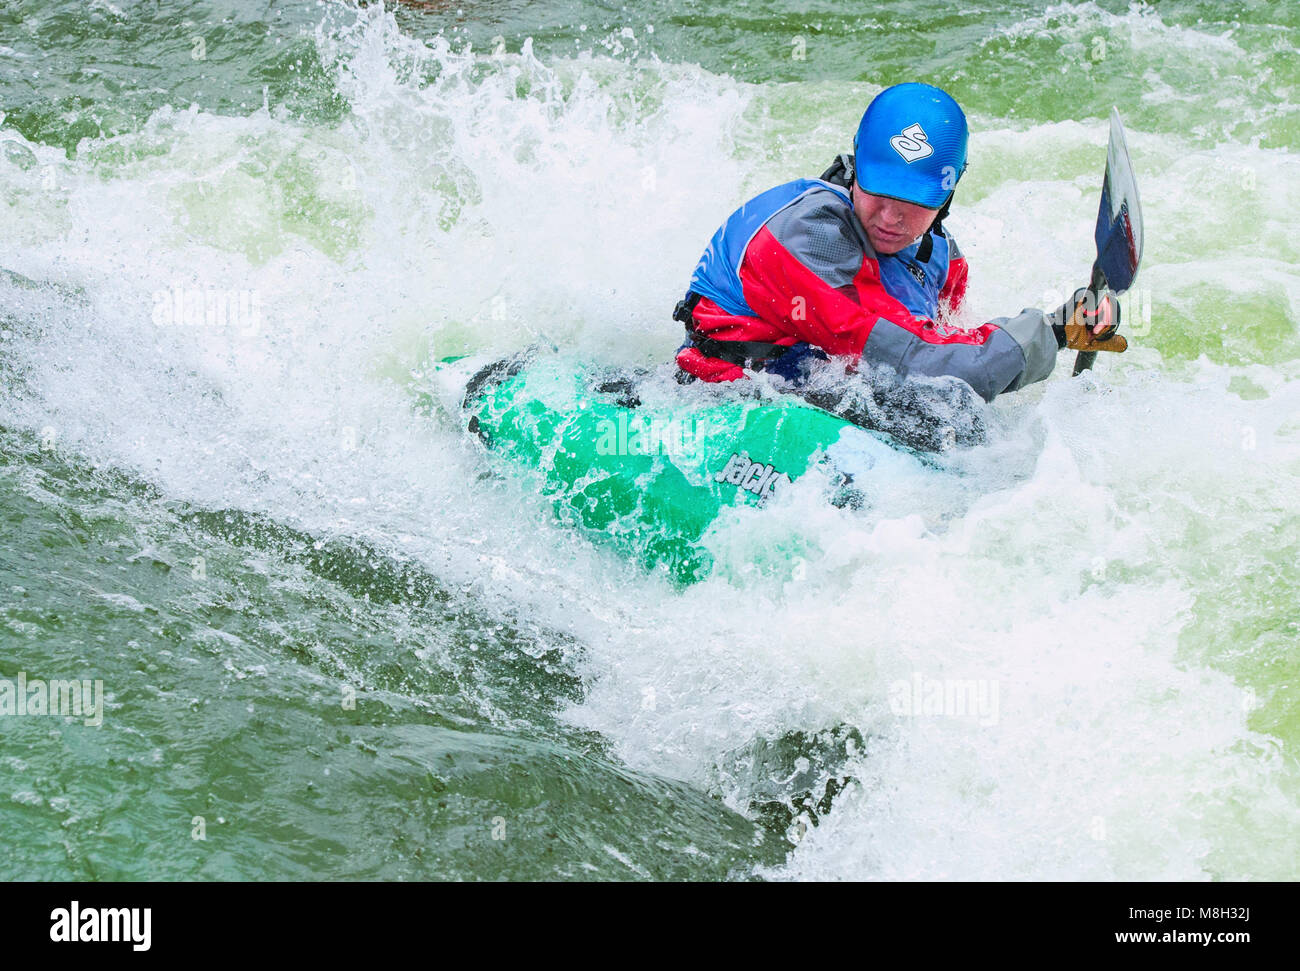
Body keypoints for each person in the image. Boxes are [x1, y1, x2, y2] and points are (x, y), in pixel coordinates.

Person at [671, 82, 1126, 448]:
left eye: (914, 203)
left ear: (947, 198)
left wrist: (1073, 326)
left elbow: (943, 348)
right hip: (723, 406)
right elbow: (939, 368)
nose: (891, 219)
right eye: (879, 192)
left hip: (812, 399)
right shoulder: (803, 241)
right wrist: (1048, 333)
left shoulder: (940, 257)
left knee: (963, 427)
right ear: (857, 168)